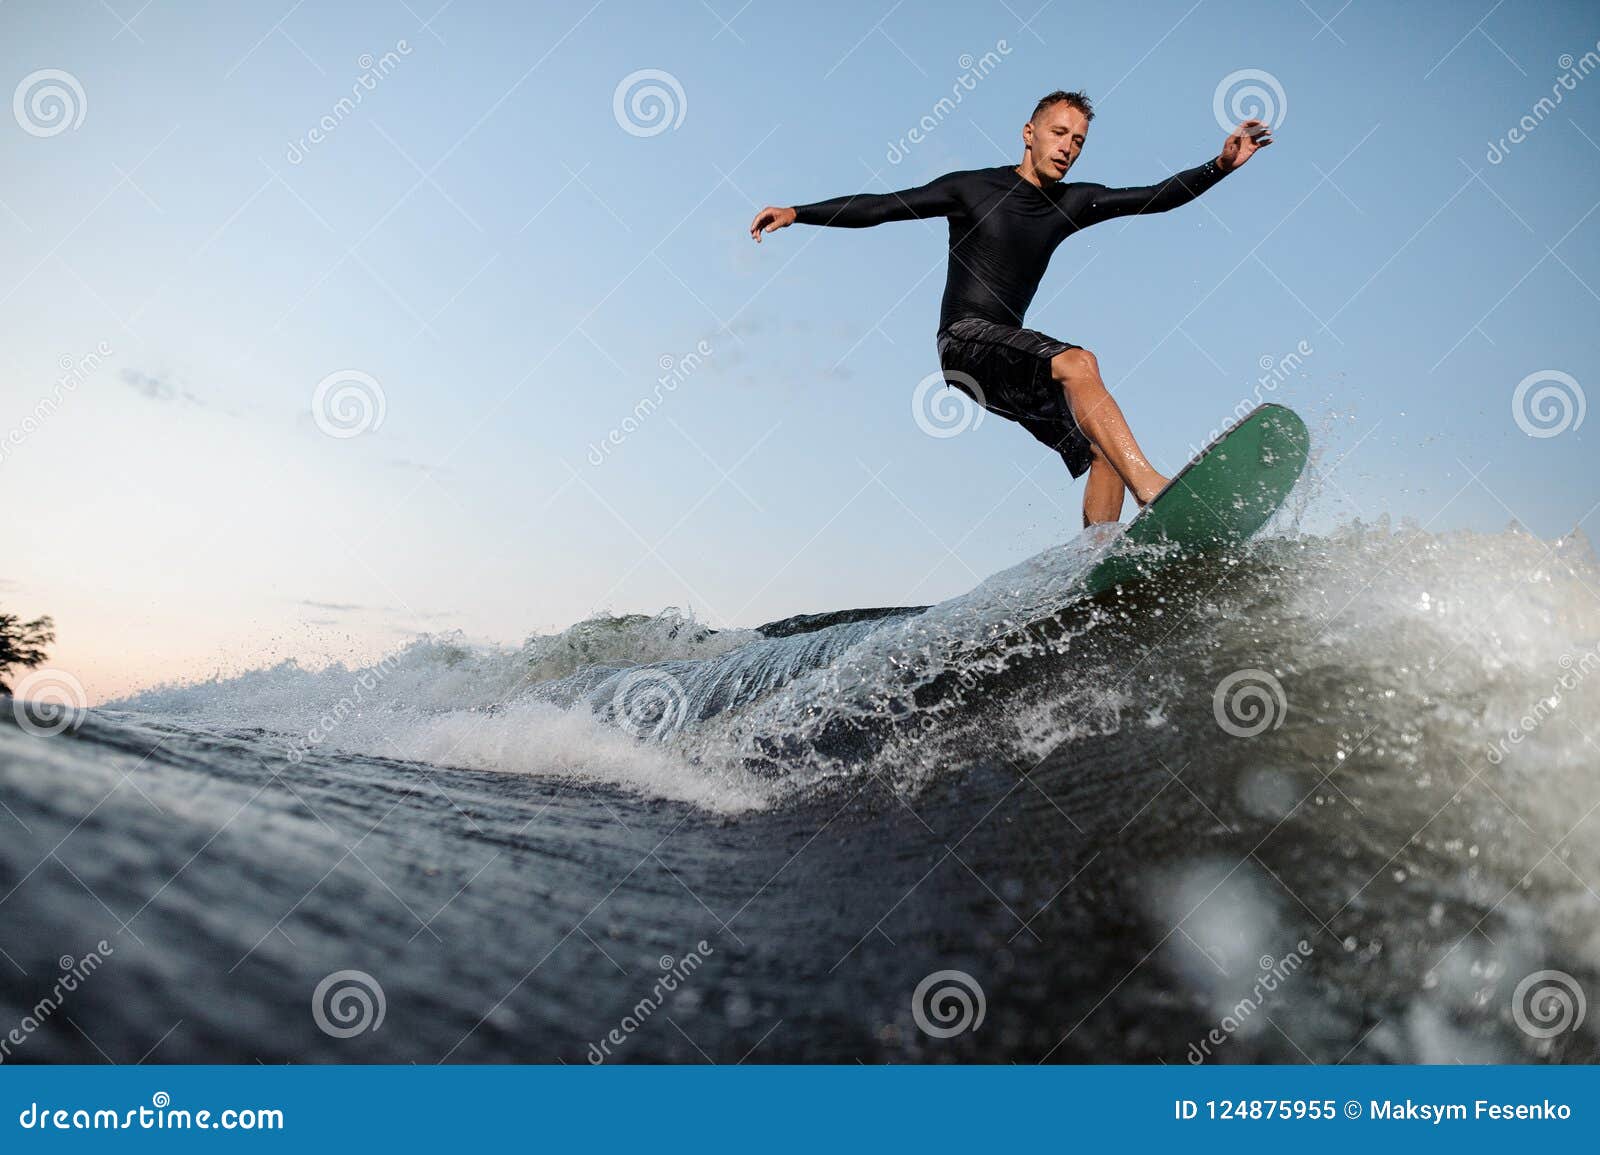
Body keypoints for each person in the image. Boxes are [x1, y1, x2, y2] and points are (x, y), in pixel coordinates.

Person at [749, 90, 1273, 526]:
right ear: (1029, 132)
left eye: (1078, 141)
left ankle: (1098, 563)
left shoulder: (1072, 203)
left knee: (1101, 448)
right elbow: (883, 207)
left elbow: (1156, 196)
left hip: (1008, 357)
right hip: (964, 342)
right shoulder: (972, 188)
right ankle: (1153, 488)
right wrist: (799, 212)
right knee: (1080, 362)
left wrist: (1221, 164)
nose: (1067, 147)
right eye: (1058, 132)